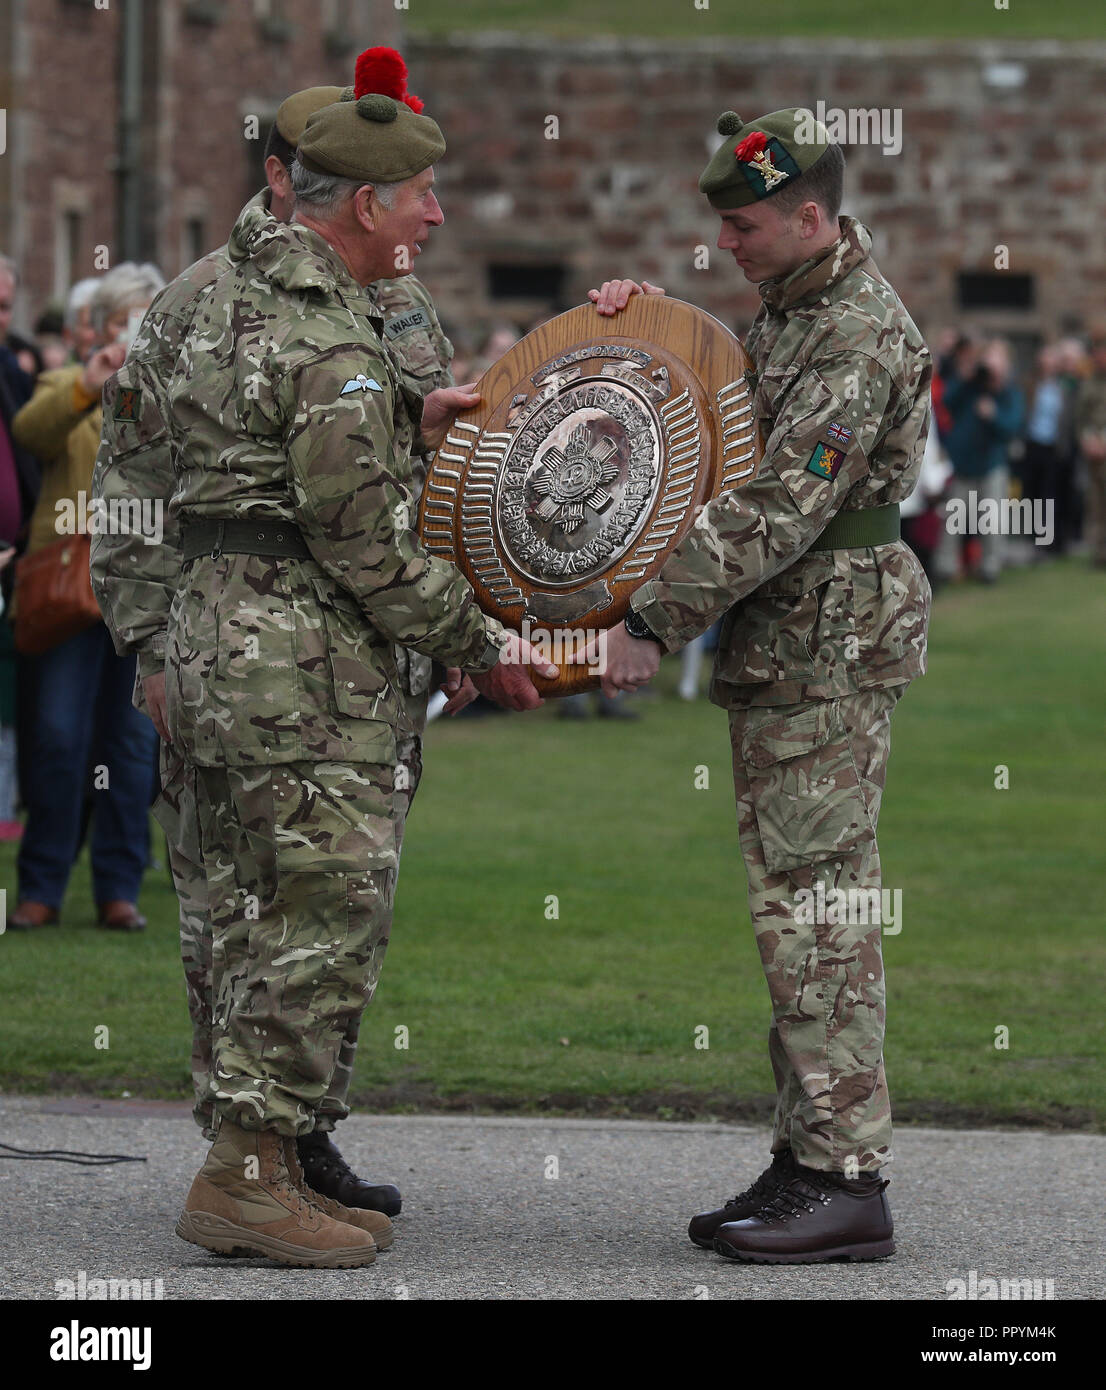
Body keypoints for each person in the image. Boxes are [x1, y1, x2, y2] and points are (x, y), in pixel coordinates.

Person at [99, 76, 552, 1269]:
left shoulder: (204, 297)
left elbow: (132, 478)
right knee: (319, 909)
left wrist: (150, 637)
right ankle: (245, 1175)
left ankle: (266, 1156)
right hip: (302, 665)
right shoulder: (328, 333)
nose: (435, 215)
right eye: (417, 195)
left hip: (212, 647)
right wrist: (479, 640)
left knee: (239, 910)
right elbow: (356, 532)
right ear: (356, 206)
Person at [585, 107, 931, 1262]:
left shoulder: (851, 334)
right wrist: (640, 324)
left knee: (819, 912)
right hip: (795, 645)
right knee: (793, 905)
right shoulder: (794, 313)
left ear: (808, 215)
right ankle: (807, 1158)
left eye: (739, 226)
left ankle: (843, 1177)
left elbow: (782, 503)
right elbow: (707, 416)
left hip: (824, 648)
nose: (724, 243)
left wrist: (651, 619)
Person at [8, 262, 163, 932]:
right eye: (128, 319)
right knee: (57, 737)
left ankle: (118, 888)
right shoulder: (60, 384)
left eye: (149, 319)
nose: (138, 331)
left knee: (130, 745)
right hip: (68, 591)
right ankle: (41, 885)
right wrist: (88, 383)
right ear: (100, 327)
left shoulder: (176, 393)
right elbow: (30, 433)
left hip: (140, 590)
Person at [933, 337, 1024, 584]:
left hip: (991, 466)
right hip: (963, 465)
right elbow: (946, 402)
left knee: (992, 521)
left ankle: (989, 568)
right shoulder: (969, 386)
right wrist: (968, 377)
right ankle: (945, 568)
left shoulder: (1008, 392)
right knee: (952, 519)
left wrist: (993, 413)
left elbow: (1012, 427)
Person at [1076, 328, 1106, 569]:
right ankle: (1099, 554)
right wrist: (1086, 439)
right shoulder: (1089, 383)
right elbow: (1081, 418)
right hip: (1094, 453)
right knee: (1095, 505)